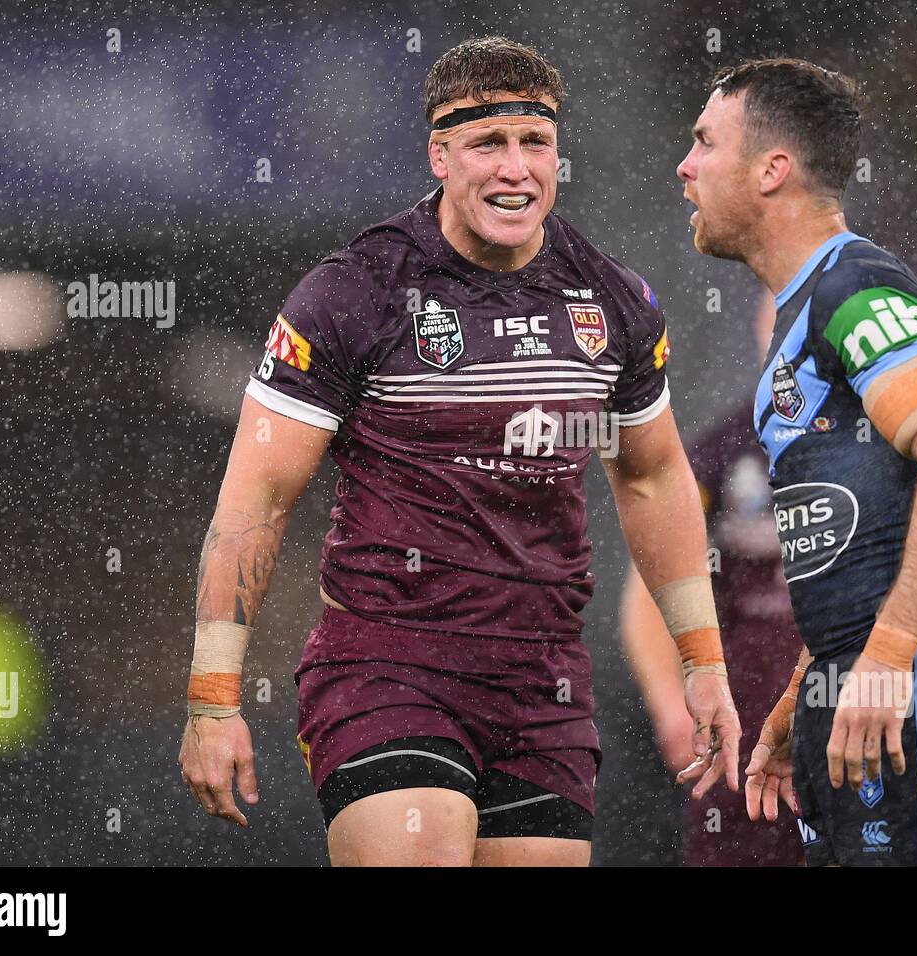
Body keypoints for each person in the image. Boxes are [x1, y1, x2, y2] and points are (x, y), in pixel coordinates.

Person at [177, 36, 740, 867]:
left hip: (542, 682)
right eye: (487, 144)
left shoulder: (613, 300)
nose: (515, 170)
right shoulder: (352, 293)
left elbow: (653, 479)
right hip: (387, 667)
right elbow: (255, 500)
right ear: (440, 155)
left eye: (534, 143)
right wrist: (213, 698)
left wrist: (703, 662)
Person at [675, 57, 917, 866]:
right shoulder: (799, 315)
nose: (685, 164)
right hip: (853, 689)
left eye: (705, 142)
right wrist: (800, 693)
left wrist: (884, 657)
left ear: (772, 169)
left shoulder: (857, 288)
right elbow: (855, 539)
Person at [620, 296, 806, 865]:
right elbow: (652, 587)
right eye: (779, 324)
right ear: (756, 329)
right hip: (742, 713)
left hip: (850, 702)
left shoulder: (877, 446)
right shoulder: (721, 453)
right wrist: (670, 705)